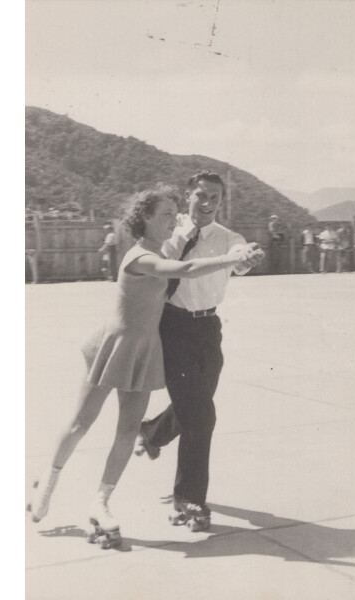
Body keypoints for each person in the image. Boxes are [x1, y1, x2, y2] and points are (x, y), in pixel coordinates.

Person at [26, 184, 256, 549]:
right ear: (145, 217)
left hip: (145, 350)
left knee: (127, 430)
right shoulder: (139, 256)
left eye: (174, 213)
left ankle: (101, 501)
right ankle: (47, 485)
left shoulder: (161, 247)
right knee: (80, 423)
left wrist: (236, 255)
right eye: (165, 214)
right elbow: (186, 267)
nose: (173, 219)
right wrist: (229, 260)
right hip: (116, 345)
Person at [135, 171, 265, 532]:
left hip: (208, 329)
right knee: (201, 416)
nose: (207, 204)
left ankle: (152, 433)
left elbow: (240, 257)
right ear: (188, 195)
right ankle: (189, 500)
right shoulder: (167, 229)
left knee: (195, 403)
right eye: (201, 196)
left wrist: (247, 257)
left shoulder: (228, 238)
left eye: (215, 199)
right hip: (172, 326)